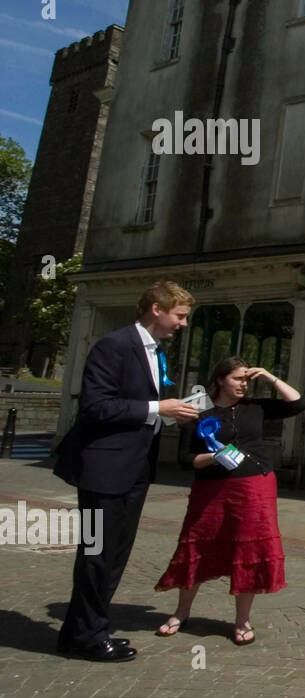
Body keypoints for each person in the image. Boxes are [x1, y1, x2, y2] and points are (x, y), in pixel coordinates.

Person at [54, 281, 198, 662]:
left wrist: (171, 413)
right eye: (180, 316)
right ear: (156, 309)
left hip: (135, 469)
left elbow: (143, 406)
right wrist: (157, 409)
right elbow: (95, 407)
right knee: (96, 554)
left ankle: (78, 632)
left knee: (114, 555)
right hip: (103, 470)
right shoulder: (113, 346)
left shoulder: (155, 352)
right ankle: (89, 637)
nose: (183, 324)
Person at [154, 357, 304, 645]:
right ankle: (181, 612)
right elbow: (185, 459)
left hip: (254, 487)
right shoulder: (197, 409)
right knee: (197, 542)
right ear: (221, 379)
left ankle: (242, 620)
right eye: (238, 379)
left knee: (249, 549)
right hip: (210, 489)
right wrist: (213, 457)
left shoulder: (255, 407)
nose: (244, 385)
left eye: (247, 380)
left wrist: (270, 377)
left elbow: (297, 403)